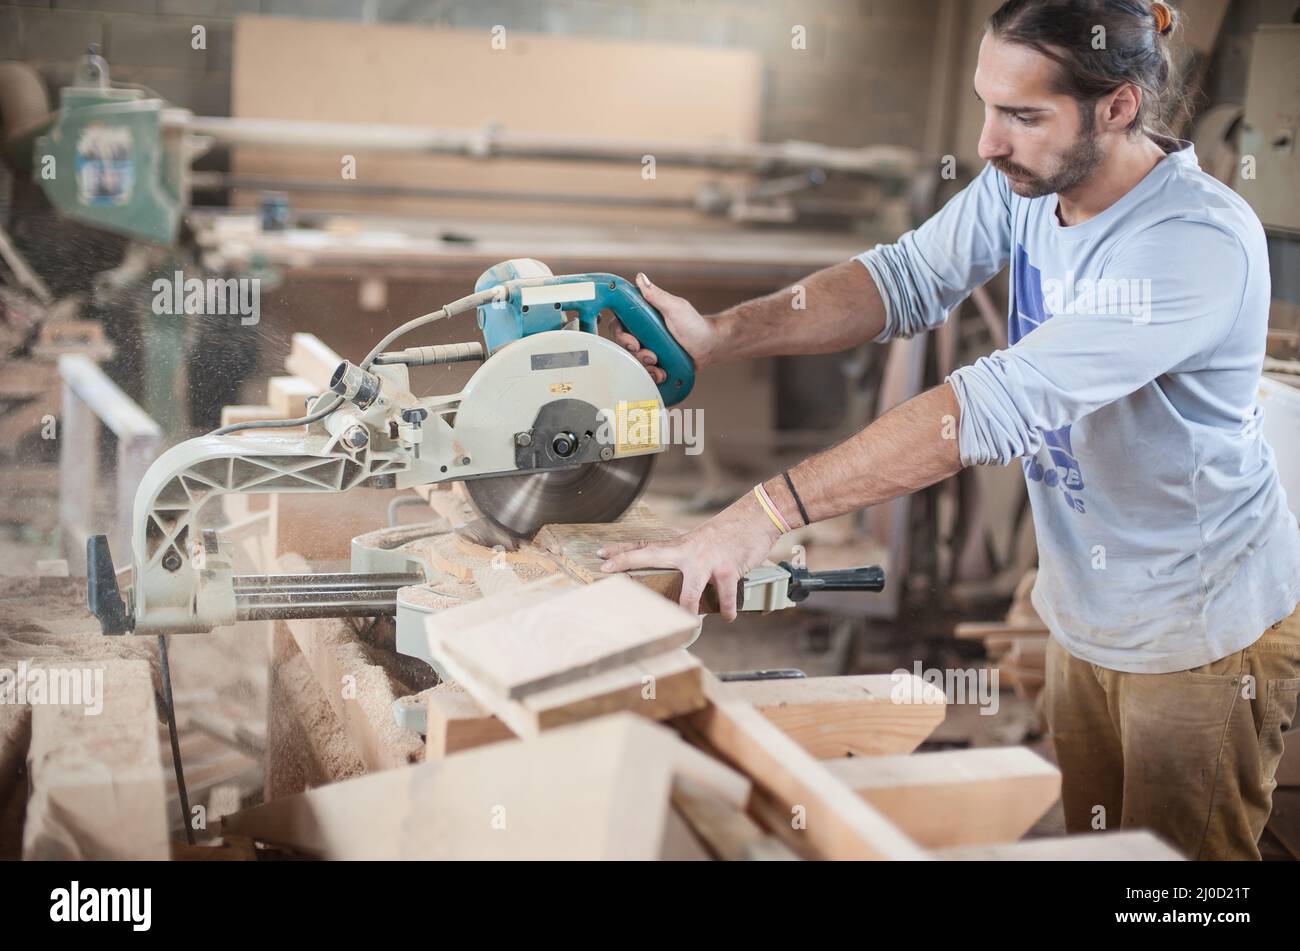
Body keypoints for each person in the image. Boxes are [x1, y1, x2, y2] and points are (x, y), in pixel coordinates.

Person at [599, 0, 1300, 860]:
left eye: (1022, 115)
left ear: (1118, 107)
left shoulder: (1192, 244)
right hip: (1086, 609)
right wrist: (720, 336)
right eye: (986, 105)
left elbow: (986, 406)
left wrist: (763, 515)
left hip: (1202, 626)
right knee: (1111, 850)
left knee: (1185, 887)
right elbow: (901, 278)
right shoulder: (1033, 186)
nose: (987, 142)